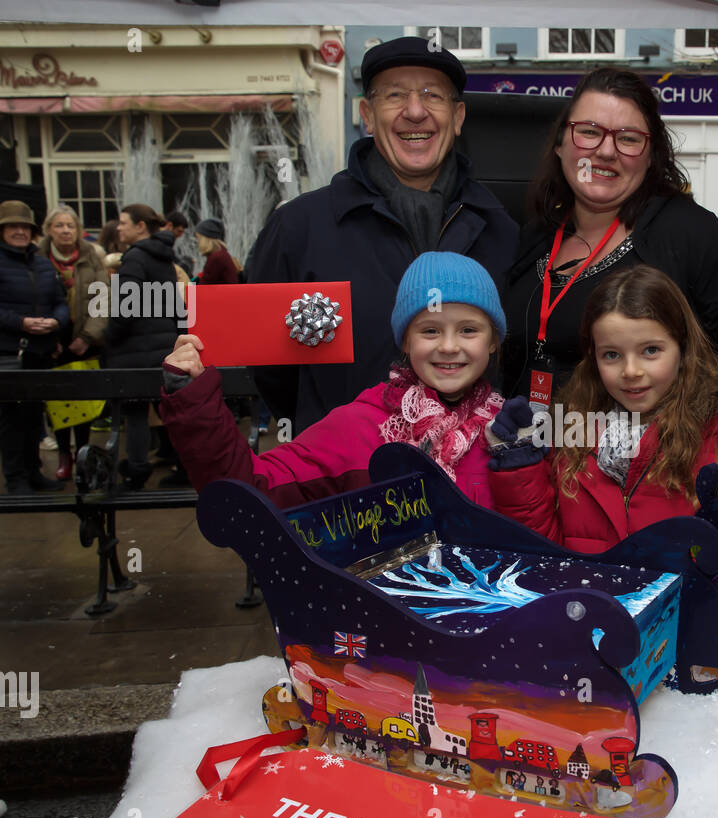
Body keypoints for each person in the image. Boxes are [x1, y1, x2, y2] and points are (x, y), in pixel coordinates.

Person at [502, 68, 718, 501]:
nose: (606, 151)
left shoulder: (689, 234)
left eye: (628, 138)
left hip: (640, 491)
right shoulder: (536, 234)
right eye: (590, 132)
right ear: (561, 143)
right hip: (527, 477)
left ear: (651, 154)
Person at [246, 36, 518, 434]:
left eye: (432, 95)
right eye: (395, 95)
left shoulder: (501, 229)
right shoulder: (299, 228)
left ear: (458, 117)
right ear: (367, 116)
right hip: (343, 477)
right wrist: (328, 430)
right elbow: (270, 363)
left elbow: (512, 360)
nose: (414, 111)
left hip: (468, 482)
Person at [159, 252, 506, 509]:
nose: (448, 346)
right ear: (405, 340)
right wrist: (194, 400)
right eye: (430, 330)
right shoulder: (357, 426)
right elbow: (248, 492)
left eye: (468, 330)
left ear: (492, 340)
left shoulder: (511, 433)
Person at [488, 265, 718, 553]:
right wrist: (520, 468)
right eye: (612, 355)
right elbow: (544, 555)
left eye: (650, 350)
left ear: (683, 350)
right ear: (593, 359)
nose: (631, 371)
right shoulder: (570, 440)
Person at [0, 201, 70, 493]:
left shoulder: (42, 263)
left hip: (39, 349)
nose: (20, 232)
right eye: (14, 227)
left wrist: (55, 323)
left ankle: (33, 472)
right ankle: (15, 477)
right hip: (5, 350)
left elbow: (60, 301)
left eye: (25, 227)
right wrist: (19, 322)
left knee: (34, 413)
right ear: (1, 231)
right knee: (11, 415)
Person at [107, 203, 180, 489]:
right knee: (168, 410)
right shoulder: (163, 257)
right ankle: (186, 464)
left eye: (123, 222)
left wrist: (111, 338)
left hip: (135, 348)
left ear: (140, 226)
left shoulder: (135, 258)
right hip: (162, 344)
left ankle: (137, 469)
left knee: (135, 411)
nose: (118, 227)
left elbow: (125, 307)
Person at [38, 204, 108, 480]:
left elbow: (103, 300)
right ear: (49, 230)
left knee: (82, 401)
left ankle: (82, 453)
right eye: (59, 225)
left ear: (79, 230)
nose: (65, 230)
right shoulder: (38, 258)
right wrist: (50, 339)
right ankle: (63, 456)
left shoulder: (93, 257)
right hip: (51, 340)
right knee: (56, 401)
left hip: (85, 340)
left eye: (70, 225)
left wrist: (87, 337)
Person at [193, 218, 240, 285]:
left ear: (206, 238)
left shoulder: (216, 258)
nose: (198, 242)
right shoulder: (222, 254)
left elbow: (204, 286)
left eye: (198, 238)